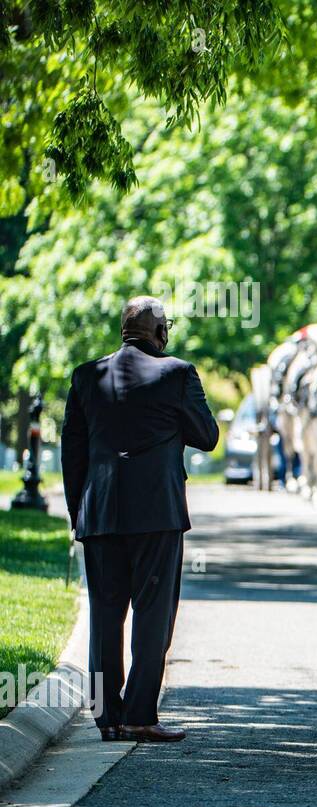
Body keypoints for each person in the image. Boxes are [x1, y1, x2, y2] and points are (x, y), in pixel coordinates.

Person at [60, 296, 219, 743]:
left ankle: (106, 717)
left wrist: (80, 512)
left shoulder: (86, 375)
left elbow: (72, 450)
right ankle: (140, 715)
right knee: (153, 614)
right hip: (157, 514)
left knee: (105, 616)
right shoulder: (177, 373)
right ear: (161, 332)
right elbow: (207, 437)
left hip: (100, 512)